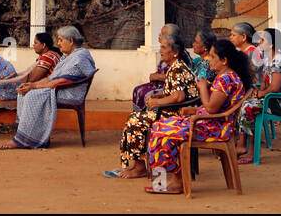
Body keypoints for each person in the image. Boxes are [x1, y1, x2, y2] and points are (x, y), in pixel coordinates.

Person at [144, 39, 255, 194]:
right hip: (208, 123)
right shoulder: (225, 76)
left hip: (214, 128)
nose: (209, 60)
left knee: (163, 132)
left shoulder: (226, 79)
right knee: (159, 125)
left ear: (224, 60)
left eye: (213, 57)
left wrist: (203, 88)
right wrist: (192, 110)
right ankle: (172, 179)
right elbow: (215, 107)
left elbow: (211, 108)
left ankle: (175, 182)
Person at [107, 34, 198, 179]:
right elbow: (176, 93)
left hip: (177, 115)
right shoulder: (175, 67)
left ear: (175, 52)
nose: (160, 50)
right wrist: (160, 96)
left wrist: (158, 102)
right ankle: (136, 163)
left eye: (164, 47)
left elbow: (179, 96)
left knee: (135, 121)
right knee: (134, 118)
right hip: (175, 111)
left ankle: (140, 167)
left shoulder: (177, 69)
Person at [0, 26, 96, 150]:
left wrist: (34, 86)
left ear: (71, 41)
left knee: (31, 96)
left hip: (69, 93)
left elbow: (61, 80)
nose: (58, 43)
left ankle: (23, 140)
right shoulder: (67, 57)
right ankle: (29, 137)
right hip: (60, 88)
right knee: (24, 93)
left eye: (61, 40)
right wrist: (31, 85)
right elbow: (52, 77)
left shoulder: (79, 57)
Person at [238, 27, 281, 163]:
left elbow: (275, 87)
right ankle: (243, 145)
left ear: (271, 45)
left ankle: (248, 150)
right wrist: (258, 91)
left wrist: (261, 93)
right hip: (277, 98)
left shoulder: (278, 60)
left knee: (248, 106)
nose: (258, 42)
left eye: (262, 40)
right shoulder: (268, 59)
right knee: (245, 102)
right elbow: (266, 83)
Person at [131, 22, 179, 110]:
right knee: (137, 90)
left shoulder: (178, 55)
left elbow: (178, 79)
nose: (159, 35)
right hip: (159, 84)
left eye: (163, 34)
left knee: (146, 94)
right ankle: (138, 115)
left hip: (167, 87)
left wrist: (159, 77)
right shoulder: (166, 53)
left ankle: (146, 116)